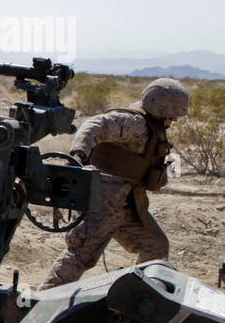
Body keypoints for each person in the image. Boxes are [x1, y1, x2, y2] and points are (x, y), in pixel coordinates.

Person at [40, 77, 190, 289]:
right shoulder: (134, 123)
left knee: (155, 247)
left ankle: (134, 299)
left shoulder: (152, 126)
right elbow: (95, 125)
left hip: (129, 207)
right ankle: (37, 305)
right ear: (158, 108)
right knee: (80, 257)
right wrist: (78, 155)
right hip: (101, 205)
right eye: (171, 116)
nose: (173, 121)